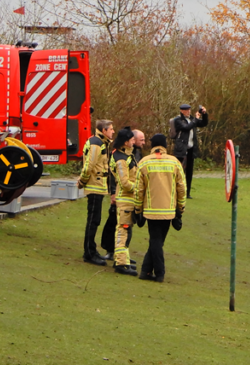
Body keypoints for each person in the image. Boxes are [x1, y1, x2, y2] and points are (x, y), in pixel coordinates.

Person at [133, 133, 187, 283]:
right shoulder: (174, 162)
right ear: (165, 146)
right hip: (169, 210)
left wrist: (137, 210)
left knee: (155, 240)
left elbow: (139, 190)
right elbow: (181, 188)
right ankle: (158, 272)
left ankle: (146, 271)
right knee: (158, 240)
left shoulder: (144, 163)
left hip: (150, 210)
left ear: (152, 145)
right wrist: (180, 209)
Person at [77, 119, 114, 265]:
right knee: (93, 221)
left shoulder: (100, 142)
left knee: (95, 220)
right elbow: (89, 165)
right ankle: (89, 253)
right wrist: (82, 181)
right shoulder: (96, 143)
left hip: (98, 186)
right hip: (94, 186)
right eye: (111, 129)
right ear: (103, 130)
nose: (112, 132)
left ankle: (91, 250)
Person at [110, 127, 138, 276]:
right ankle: (121, 263)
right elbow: (125, 182)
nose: (134, 141)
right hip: (125, 199)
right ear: (126, 142)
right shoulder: (120, 158)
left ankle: (122, 260)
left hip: (129, 199)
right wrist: (139, 188)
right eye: (132, 139)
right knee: (123, 230)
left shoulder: (126, 155)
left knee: (126, 230)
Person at [168, 103, 208, 199]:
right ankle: (176, 191)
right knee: (180, 171)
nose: (188, 111)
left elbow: (204, 123)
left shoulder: (192, 119)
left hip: (191, 148)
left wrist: (204, 114)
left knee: (189, 171)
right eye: (186, 110)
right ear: (181, 111)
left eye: (189, 110)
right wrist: (195, 119)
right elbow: (186, 127)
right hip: (181, 149)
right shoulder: (178, 120)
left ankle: (187, 192)